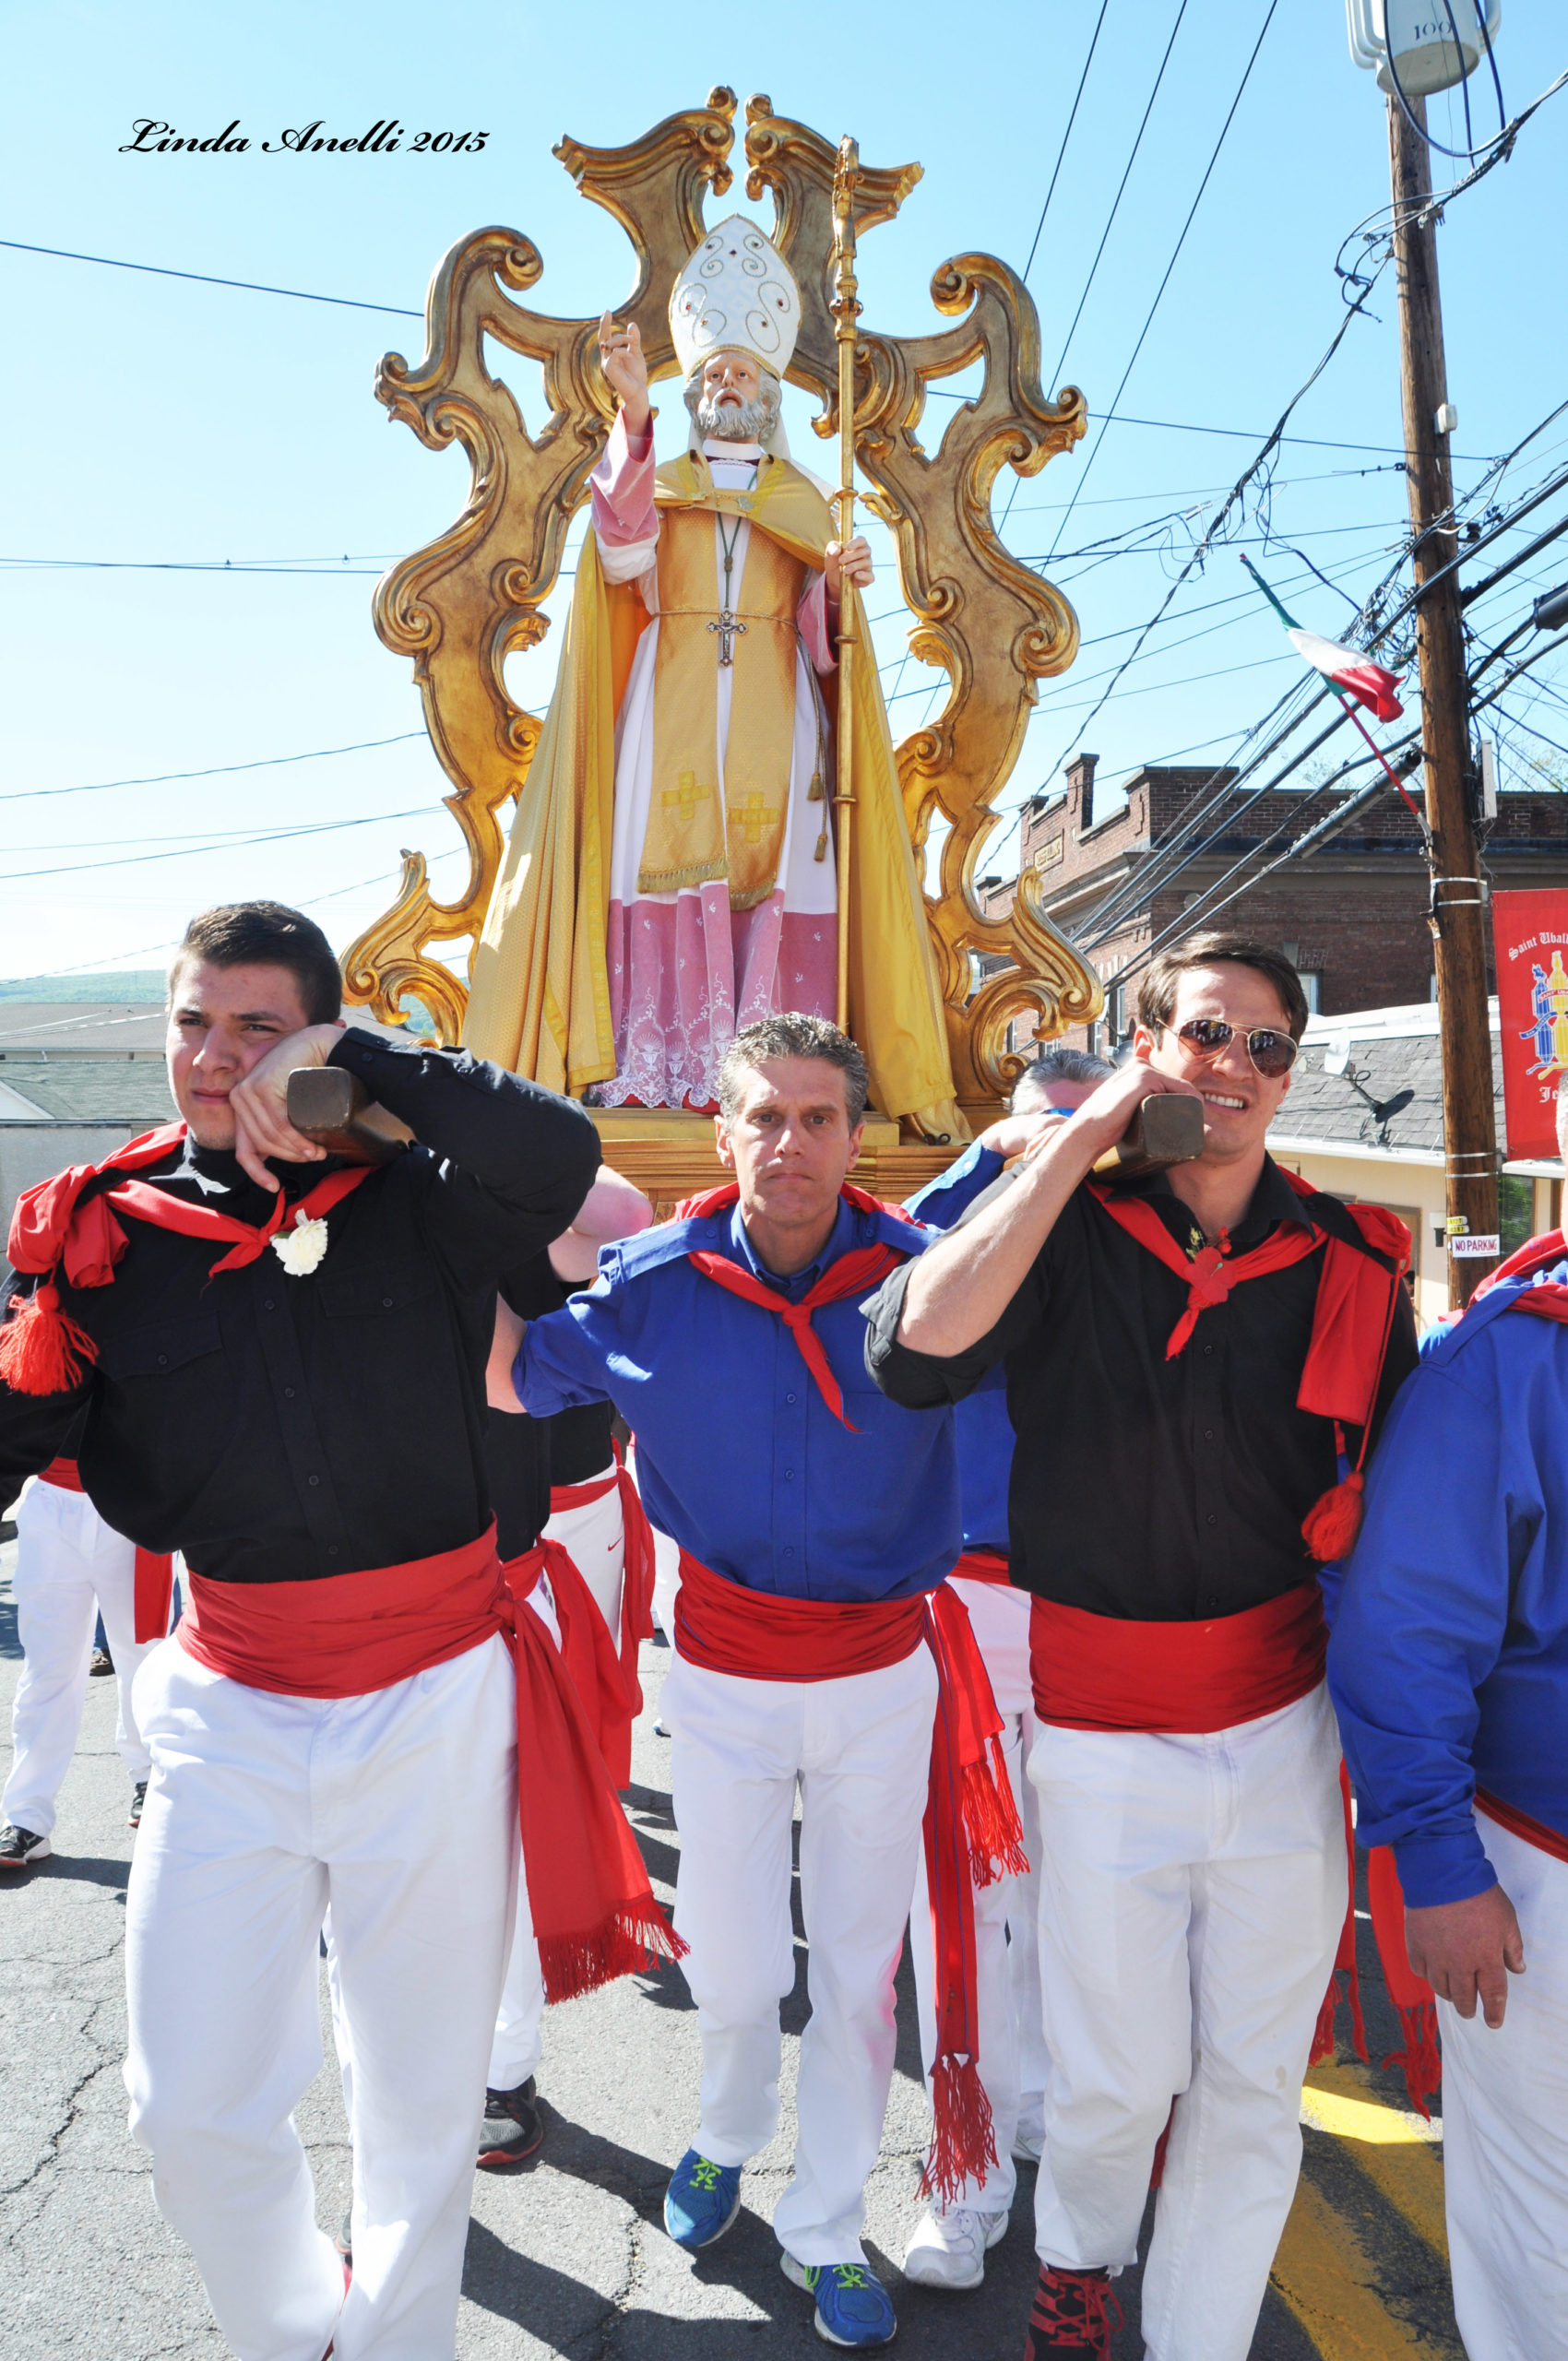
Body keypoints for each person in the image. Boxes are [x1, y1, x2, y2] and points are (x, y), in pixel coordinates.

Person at [0, 899, 673, 2361]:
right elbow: (22, 1424)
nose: (213, 1055)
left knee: (421, 2108)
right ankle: (292, 2328)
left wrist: (357, 1068)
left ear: (316, 1032)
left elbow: (561, 1160)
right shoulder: (102, 1231)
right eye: (194, 1022)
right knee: (180, 2104)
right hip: (228, 1700)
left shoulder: (430, 1195)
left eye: (257, 1024)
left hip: (435, 1694)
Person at [865, 931, 1418, 2361]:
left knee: (1248, 2082)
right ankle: (1080, 2257)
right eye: (1202, 1036)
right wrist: (1069, 1150)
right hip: (1102, 1732)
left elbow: (1398, 1510)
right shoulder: (1057, 1230)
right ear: (1146, 1049)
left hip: (1283, 1728)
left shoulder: (1353, 1255)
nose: (1233, 1068)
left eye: (1266, 1047)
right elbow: (914, 1353)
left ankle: (1198, 2338)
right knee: (1115, 2080)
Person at [489, 1011, 1018, 2350]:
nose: (791, 1142)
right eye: (764, 1116)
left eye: (820, 1117)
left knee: (853, 1973)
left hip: (879, 1676)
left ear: (856, 1137)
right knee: (729, 1965)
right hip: (719, 1679)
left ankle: (825, 2223)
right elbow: (500, 1377)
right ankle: (725, 2134)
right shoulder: (649, 1287)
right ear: (720, 1133)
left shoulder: (932, 1282)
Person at [463, 215, 963, 1139]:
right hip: (671, 705)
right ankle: (672, 1065)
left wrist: (834, 588)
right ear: (689, 394)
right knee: (666, 861)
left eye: (742, 373)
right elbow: (620, 562)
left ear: (767, 394)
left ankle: (782, 1076)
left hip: (778, 708)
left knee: (776, 870)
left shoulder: (806, 496)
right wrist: (628, 416)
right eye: (711, 374)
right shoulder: (655, 476)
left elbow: (825, 650)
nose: (726, 384)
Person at [1327, 1079, 1568, 2361]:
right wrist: (1436, 1858)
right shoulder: (1513, 1353)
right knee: (1543, 2233)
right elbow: (1403, 1636)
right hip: (1546, 1867)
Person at [897, 1044, 1113, 2290]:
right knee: (971, 1907)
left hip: (1110, 1608)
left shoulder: (1144, 1237)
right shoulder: (963, 1217)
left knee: (1105, 1905)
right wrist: (1005, 1154)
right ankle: (966, 2175)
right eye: (1050, 1127)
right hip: (974, 1605)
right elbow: (902, 1284)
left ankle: (1076, 2150)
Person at [477, 1167, 656, 2170]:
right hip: (415, 1547)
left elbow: (619, 1218)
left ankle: (504, 2066)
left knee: (528, 1794)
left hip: (561, 1524)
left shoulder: (569, 1195)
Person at [0, 1425, 174, 1864]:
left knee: (142, 1657)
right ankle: (26, 1818)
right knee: (48, 1667)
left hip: (133, 1498)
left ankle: (150, 1780)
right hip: (52, 1499)